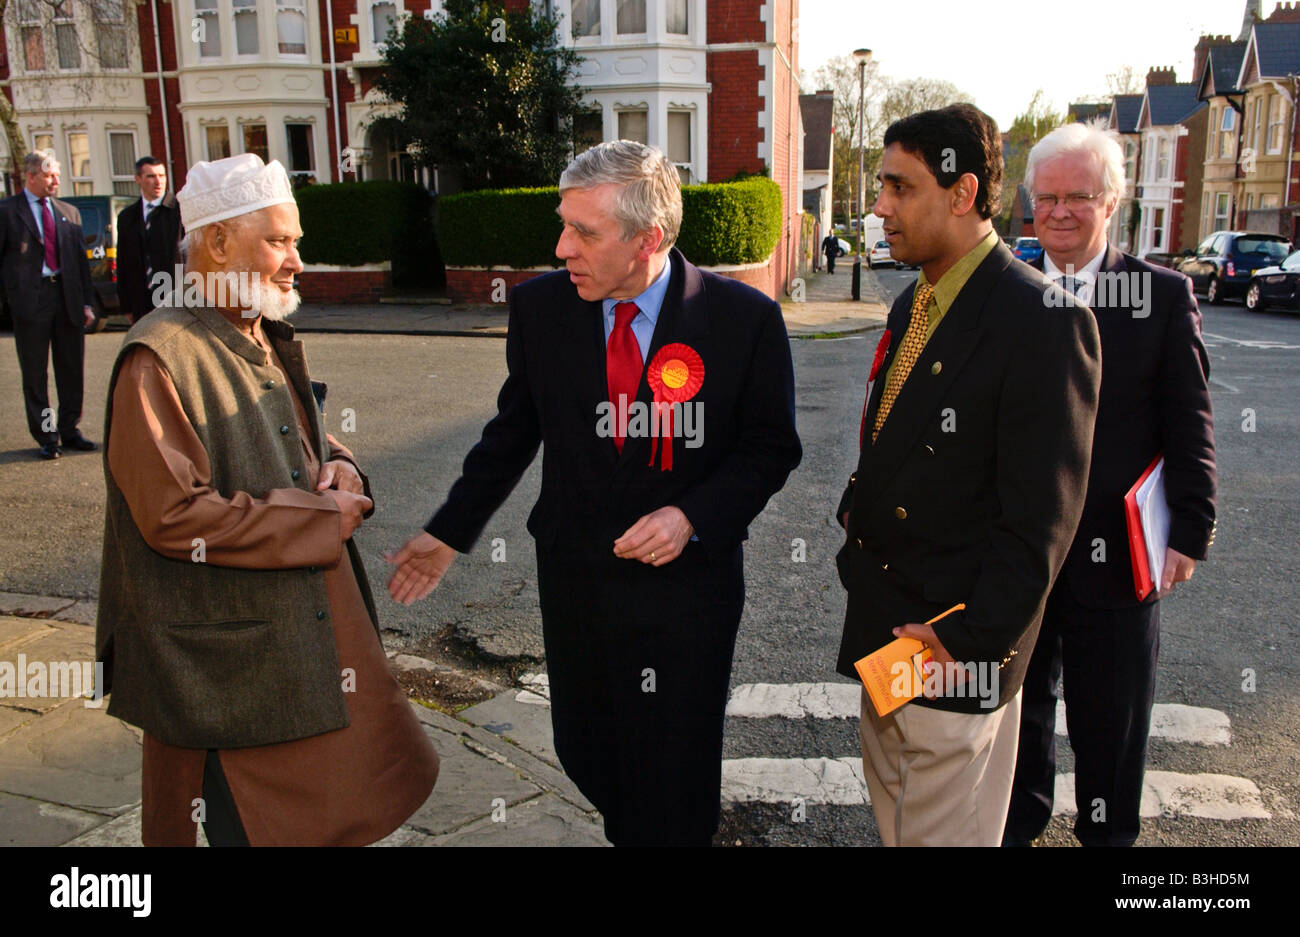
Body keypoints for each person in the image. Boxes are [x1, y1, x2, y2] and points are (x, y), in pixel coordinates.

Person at [387, 140, 801, 847]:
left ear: (649, 240)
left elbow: (770, 446)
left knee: (675, 774)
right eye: (563, 222)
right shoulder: (542, 309)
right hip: (577, 580)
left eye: (583, 231)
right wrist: (450, 531)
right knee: (588, 751)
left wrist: (691, 516)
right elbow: (513, 431)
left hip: (686, 593)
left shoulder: (742, 320)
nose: (561, 246)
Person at [95, 153, 439, 846]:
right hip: (222, 674)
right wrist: (321, 517)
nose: (296, 260)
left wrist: (343, 473)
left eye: (297, 241)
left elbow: (300, 441)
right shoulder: (156, 355)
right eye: (279, 241)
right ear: (218, 243)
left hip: (301, 650)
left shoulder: (260, 329)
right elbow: (174, 517)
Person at [834, 104, 1101, 846]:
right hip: (889, 641)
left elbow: (1043, 521)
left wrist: (971, 644)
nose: (880, 206)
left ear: (962, 192)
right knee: (899, 830)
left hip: (953, 656)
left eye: (899, 186)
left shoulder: (1046, 321)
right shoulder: (911, 304)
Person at [1003, 122, 1217, 848]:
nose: (1059, 212)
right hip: (1021, 556)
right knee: (1019, 728)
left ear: (1113, 201)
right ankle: (1017, 830)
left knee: (1112, 728)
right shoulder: (1006, 293)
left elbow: (1190, 420)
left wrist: (1192, 529)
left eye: (1079, 198)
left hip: (1119, 557)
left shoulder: (1161, 297)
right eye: (1047, 197)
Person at [0, 151, 97, 459]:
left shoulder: (69, 212)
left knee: (71, 369)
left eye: (57, 175)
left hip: (66, 298)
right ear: (30, 177)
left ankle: (69, 429)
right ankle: (47, 435)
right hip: (32, 302)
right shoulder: (7, 212)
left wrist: (86, 303)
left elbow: (81, 264)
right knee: (36, 374)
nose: (56, 180)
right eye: (49, 175)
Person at [116, 155, 183, 323]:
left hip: (176, 298)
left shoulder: (180, 211)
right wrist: (127, 305)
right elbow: (123, 262)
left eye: (162, 176)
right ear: (138, 179)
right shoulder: (127, 217)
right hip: (141, 302)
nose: (158, 182)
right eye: (151, 176)